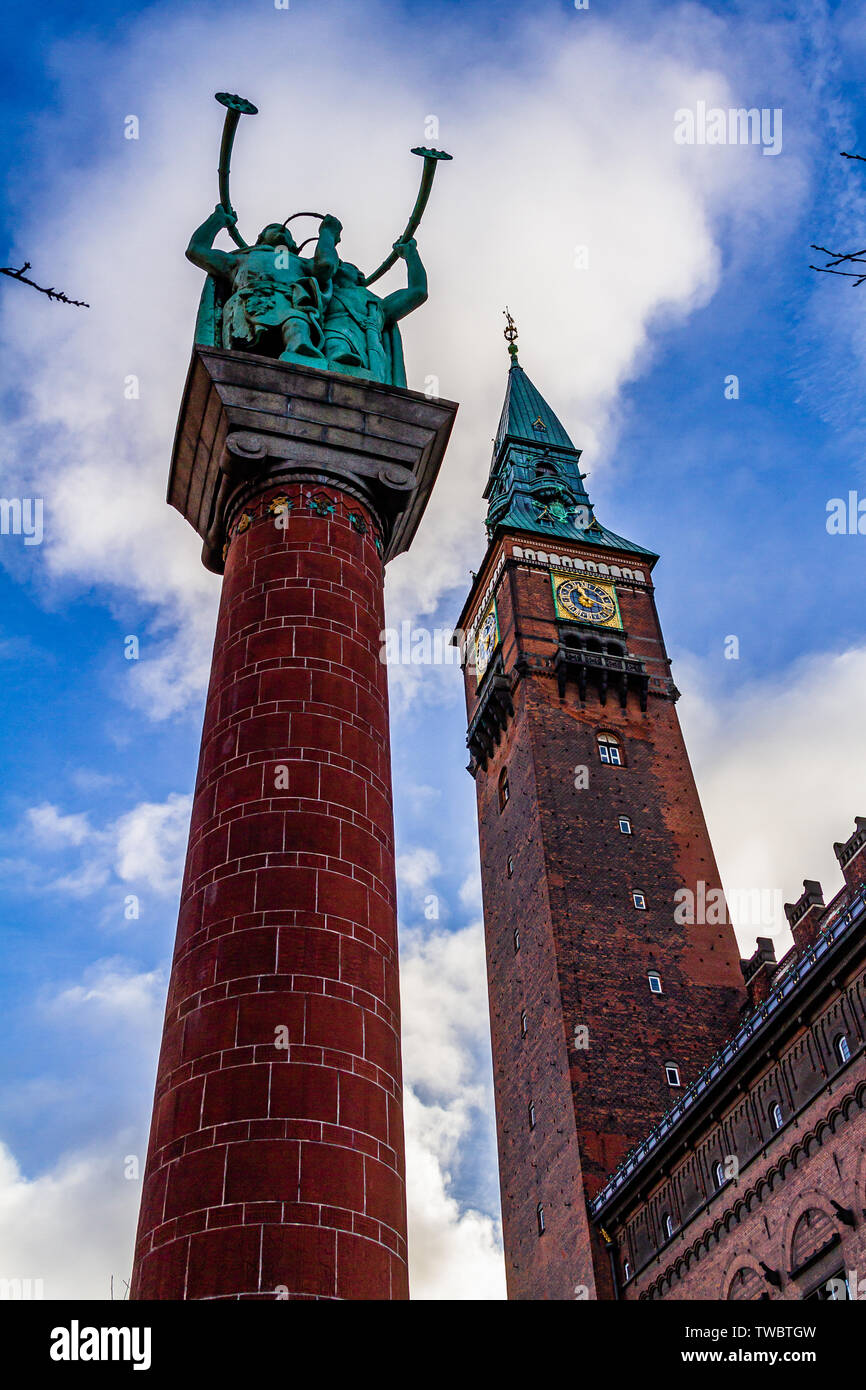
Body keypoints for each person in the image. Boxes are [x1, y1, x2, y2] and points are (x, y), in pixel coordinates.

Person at [185, 205, 343, 365]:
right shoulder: (242, 259)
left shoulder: (301, 264)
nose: (283, 230)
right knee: (290, 320)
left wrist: (327, 234)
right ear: (261, 238)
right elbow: (196, 250)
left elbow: (326, 265)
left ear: (294, 245)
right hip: (250, 305)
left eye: (288, 233)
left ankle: (301, 348)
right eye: (273, 228)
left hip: (291, 305)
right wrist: (218, 219)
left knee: (296, 322)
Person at [323, 237, 428, 386]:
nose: (339, 264)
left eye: (344, 264)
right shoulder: (323, 292)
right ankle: (339, 355)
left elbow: (418, 292)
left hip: (367, 352)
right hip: (332, 340)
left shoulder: (376, 304)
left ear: (359, 276)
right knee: (335, 341)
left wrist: (411, 254)